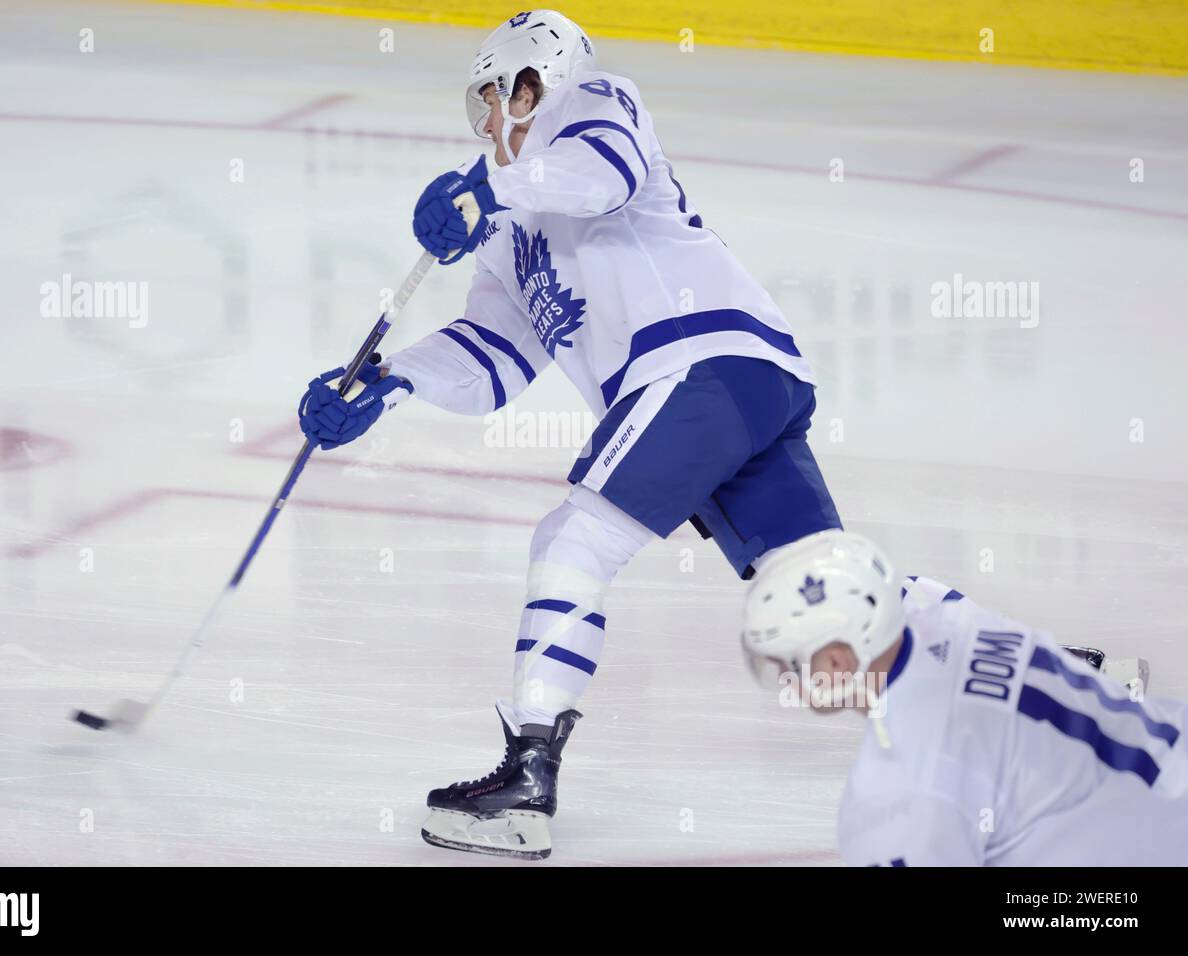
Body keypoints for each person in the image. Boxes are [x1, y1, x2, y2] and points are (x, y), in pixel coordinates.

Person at [297, 9, 841, 859]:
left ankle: (529, 773)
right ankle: (1037, 676)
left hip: (696, 366)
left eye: (492, 99)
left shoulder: (595, 103)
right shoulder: (509, 236)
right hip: (738, 384)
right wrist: (389, 380)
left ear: (531, 81)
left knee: (572, 542)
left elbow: (604, 175)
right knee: (823, 593)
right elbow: (492, 360)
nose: (488, 125)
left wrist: (489, 186)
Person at [741, 529, 1181, 866]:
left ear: (838, 663)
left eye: (788, 665)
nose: (787, 682)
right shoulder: (949, 616)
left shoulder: (896, 793)